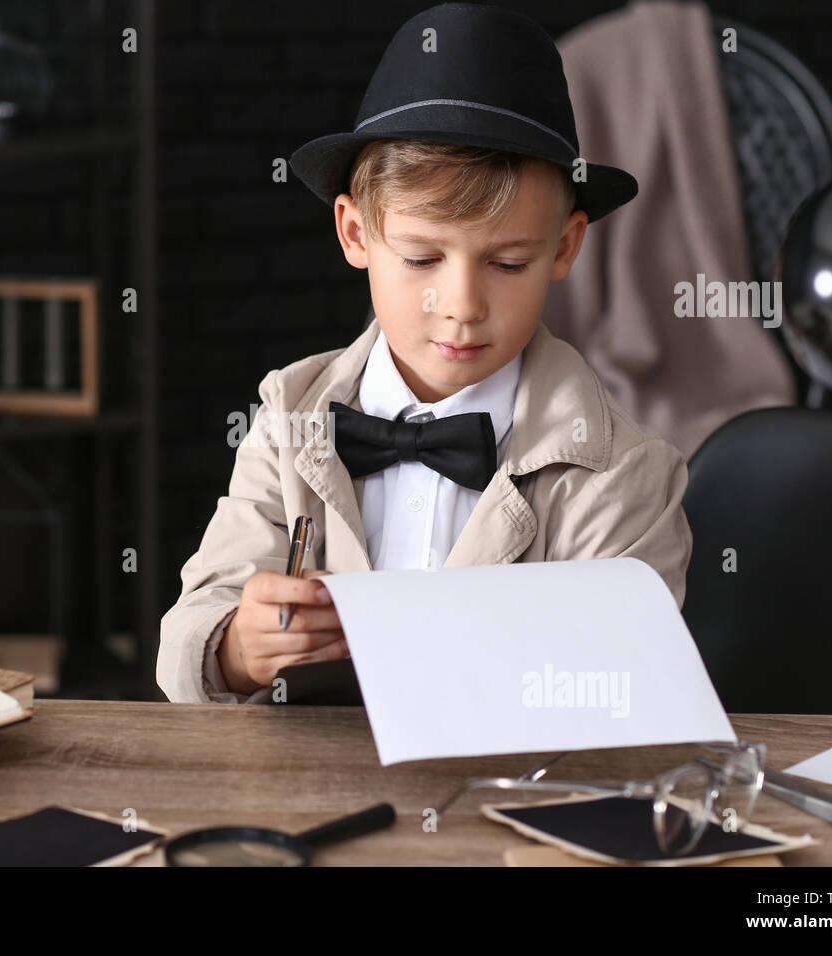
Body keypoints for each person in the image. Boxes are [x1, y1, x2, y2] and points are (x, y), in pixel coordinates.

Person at [158, 3, 691, 704]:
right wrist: (237, 646)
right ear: (354, 235)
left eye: (507, 263)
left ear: (563, 248)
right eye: (421, 258)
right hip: (310, 792)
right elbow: (187, 642)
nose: (461, 305)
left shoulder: (624, 472)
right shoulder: (289, 414)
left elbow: (624, 688)